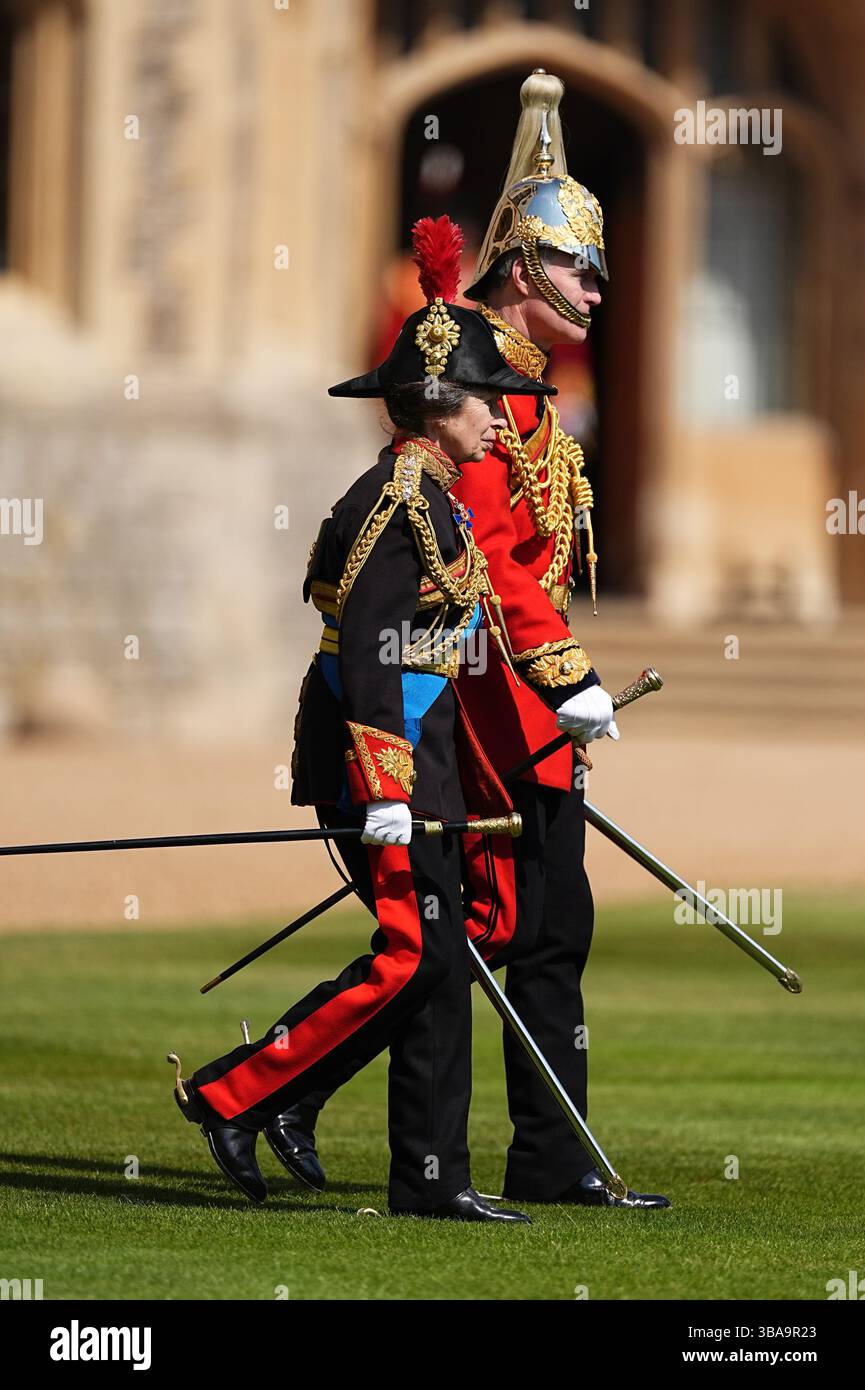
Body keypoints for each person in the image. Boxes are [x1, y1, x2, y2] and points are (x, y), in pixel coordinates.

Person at [273, 71, 670, 1211]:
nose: (597, 286)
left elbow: (538, 559)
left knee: (538, 931)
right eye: (576, 267)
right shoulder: (475, 376)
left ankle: (549, 1154)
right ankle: (299, 1097)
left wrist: (564, 704)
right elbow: (487, 570)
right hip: (474, 716)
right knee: (466, 939)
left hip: (524, 720)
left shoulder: (534, 387)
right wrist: (570, 684)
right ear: (517, 265)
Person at [168, 217, 554, 1223]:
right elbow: (379, 653)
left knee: (442, 948)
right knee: (409, 951)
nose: (500, 421)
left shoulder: (437, 500)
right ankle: (236, 1095)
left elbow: (441, 650)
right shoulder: (397, 503)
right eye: (488, 404)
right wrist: (386, 794)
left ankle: (403, 1160)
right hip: (377, 760)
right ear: (440, 404)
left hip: (422, 761)